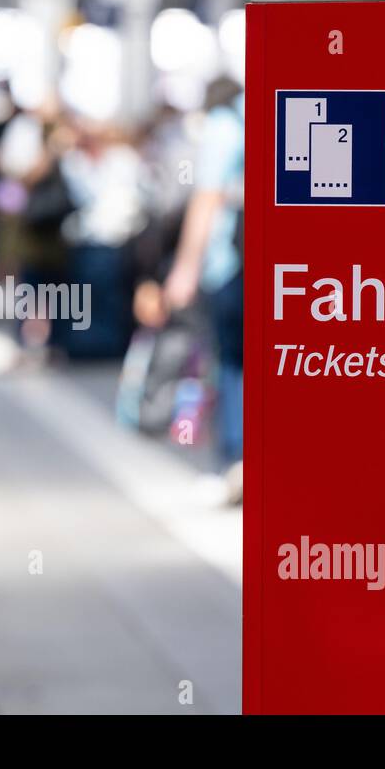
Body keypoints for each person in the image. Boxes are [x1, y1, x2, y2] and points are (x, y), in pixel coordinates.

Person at [164, 78, 244, 504]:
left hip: (228, 264)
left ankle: (236, 458)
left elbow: (206, 199)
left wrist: (185, 268)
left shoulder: (223, 124)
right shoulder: (269, 113)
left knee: (229, 362)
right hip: (275, 267)